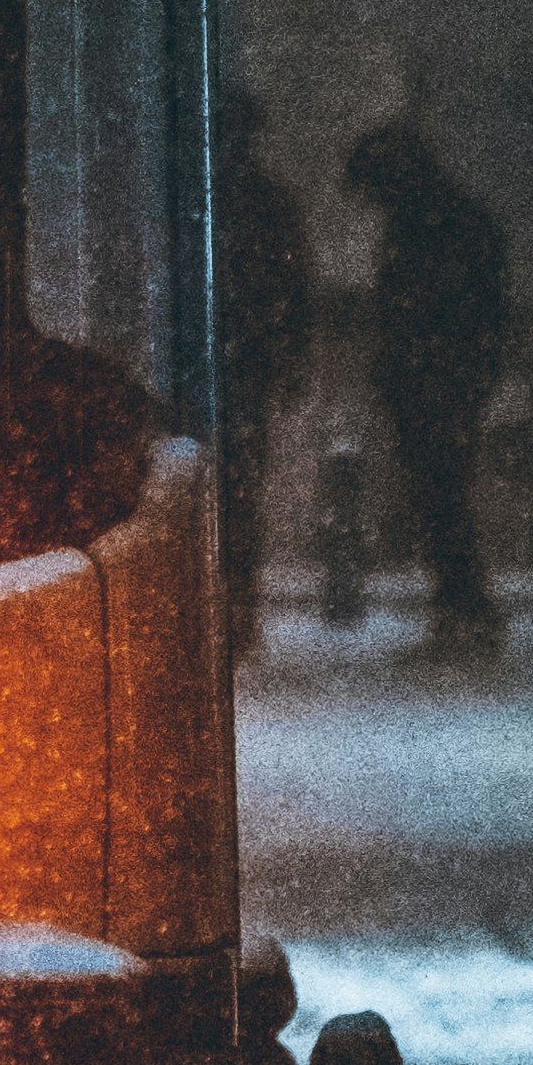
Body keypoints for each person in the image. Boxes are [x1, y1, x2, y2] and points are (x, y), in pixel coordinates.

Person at [344, 118, 508, 651]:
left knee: (440, 496)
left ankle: (465, 606)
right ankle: (463, 605)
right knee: (442, 494)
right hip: (444, 377)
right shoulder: (452, 221)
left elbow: (425, 309)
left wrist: (410, 362)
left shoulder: (428, 227)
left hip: (434, 378)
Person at [213, 84, 313, 659]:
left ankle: (234, 614)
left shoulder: (213, 203)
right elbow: (292, 294)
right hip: (245, 366)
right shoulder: (268, 204)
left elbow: (290, 293)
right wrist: (290, 358)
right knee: (239, 495)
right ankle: (238, 614)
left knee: (229, 495)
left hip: (230, 368)